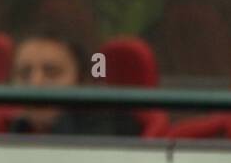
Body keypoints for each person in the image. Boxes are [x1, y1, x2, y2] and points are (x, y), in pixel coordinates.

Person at [8, 30, 142, 136]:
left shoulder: (111, 131)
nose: (35, 84)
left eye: (52, 72)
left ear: (80, 81)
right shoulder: (9, 131)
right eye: (24, 74)